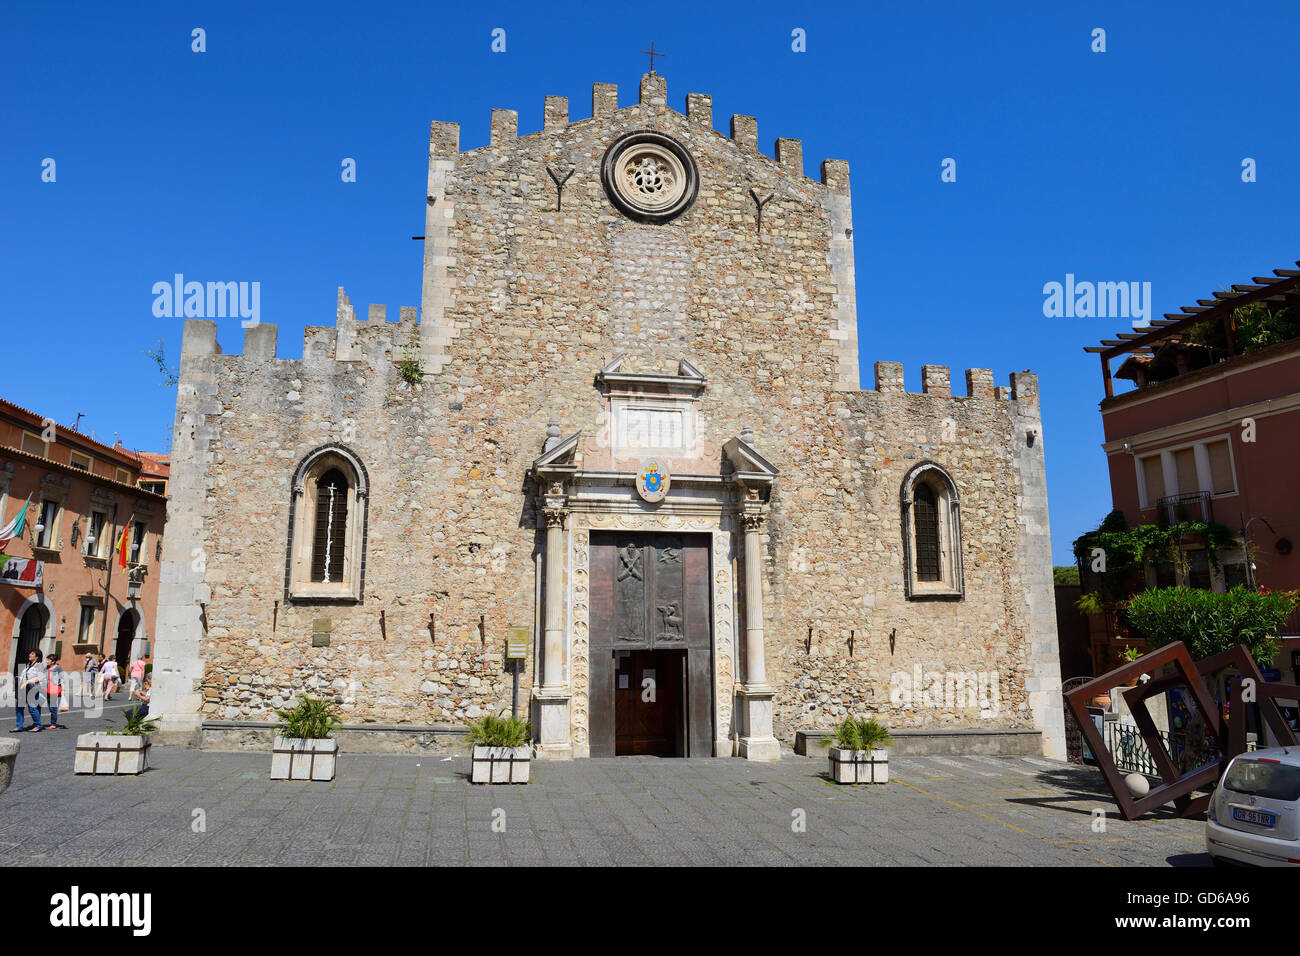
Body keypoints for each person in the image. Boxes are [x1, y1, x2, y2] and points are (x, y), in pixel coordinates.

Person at [11, 650, 46, 732]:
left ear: (37, 657)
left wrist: (28, 681)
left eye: (32, 654)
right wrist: (20, 678)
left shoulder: (39, 666)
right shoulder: (29, 665)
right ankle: (19, 726)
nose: (30, 654)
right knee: (19, 708)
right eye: (30, 653)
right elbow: (28, 676)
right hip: (23, 688)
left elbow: (40, 678)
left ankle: (38, 725)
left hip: (32, 689)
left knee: (32, 708)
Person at [45, 654, 63, 729]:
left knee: (53, 707)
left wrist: (63, 688)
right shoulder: (46, 668)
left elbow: (62, 678)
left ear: (53, 661)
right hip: (47, 688)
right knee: (50, 706)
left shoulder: (58, 668)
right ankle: (53, 720)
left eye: (48, 660)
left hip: (54, 688)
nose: (47, 661)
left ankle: (53, 723)